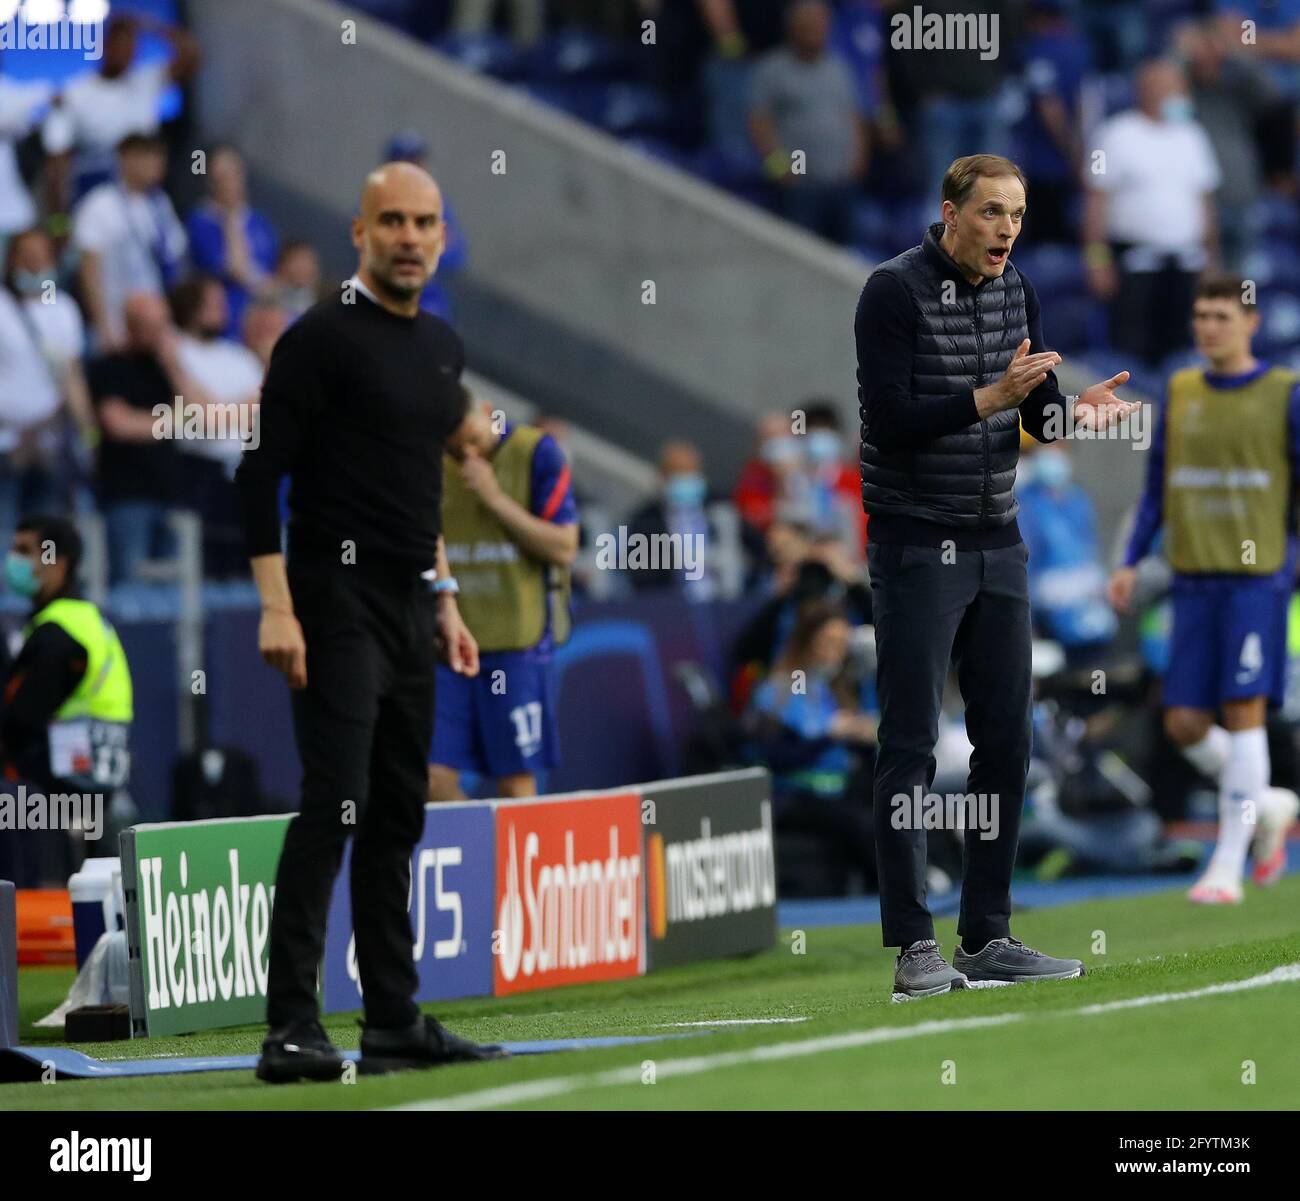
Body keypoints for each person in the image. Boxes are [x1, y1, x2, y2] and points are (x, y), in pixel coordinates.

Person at [234, 162, 503, 1083]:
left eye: (425, 221)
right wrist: (279, 606)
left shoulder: (440, 345)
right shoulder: (317, 341)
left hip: (406, 603)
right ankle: (290, 1027)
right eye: (391, 220)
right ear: (360, 232)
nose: (409, 237)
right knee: (335, 801)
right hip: (329, 597)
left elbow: (417, 485)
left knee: (398, 813)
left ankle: (392, 1017)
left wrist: (445, 596)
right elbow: (255, 479)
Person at [857, 153, 1138, 1000]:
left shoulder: (1017, 289)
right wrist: (990, 398)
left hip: (999, 539)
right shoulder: (892, 292)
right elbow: (894, 420)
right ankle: (914, 948)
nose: (1008, 229)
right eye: (991, 213)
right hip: (917, 543)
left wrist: (1072, 413)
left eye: (1017, 214)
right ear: (951, 212)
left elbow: (1037, 410)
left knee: (1008, 740)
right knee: (908, 743)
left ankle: (986, 934)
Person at [1108, 275, 1300, 903]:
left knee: (1243, 714)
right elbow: (1158, 483)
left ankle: (1226, 862)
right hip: (1191, 581)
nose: (1208, 327)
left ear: (1250, 322)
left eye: (1221, 315)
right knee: (1185, 722)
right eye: (1200, 316)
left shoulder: (1284, 394)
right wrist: (1131, 559)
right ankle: (1266, 803)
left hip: (1255, 581)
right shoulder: (1182, 389)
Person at [427, 392, 578, 801]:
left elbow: (564, 547)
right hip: (450, 647)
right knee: (431, 778)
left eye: (474, 440)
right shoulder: (428, 460)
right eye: (456, 449)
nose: (468, 454)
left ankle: (507, 859)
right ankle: (479, 852)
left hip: (515, 646)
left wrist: (494, 498)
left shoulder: (537, 453)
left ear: (490, 413)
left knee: (515, 780)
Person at [0, 515, 133, 887]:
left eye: (25, 551)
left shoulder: (58, 633)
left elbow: (21, 719)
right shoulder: (91, 620)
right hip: (96, 779)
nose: (14, 560)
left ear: (57, 563)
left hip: (58, 787)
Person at [1082, 59, 1222, 367]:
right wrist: (1097, 260)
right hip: (1134, 263)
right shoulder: (1114, 135)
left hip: (1186, 262)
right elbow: (1095, 200)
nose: (1182, 94)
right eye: (1174, 87)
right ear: (1148, 90)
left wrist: (1211, 260)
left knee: (1184, 350)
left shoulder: (1192, 135)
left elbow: (1204, 200)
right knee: (1133, 350)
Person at [41, 12, 201, 209]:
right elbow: (57, 163)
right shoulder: (76, 93)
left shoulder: (146, 81)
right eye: (119, 45)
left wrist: (150, 25)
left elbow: (191, 57)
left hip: (145, 193)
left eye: (131, 47)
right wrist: (58, 219)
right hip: (95, 196)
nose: (125, 53)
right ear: (105, 46)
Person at [86, 292, 192, 585]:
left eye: (163, 325)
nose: (160, 334)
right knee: (129, 584)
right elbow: (118, 424)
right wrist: (174, 421)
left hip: (170, 494)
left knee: (174, 592)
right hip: (127, 496)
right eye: (152, 326)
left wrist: (174, 366)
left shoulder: (165, 369)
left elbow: (198, 413)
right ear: (132, 326)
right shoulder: (109, 367)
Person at [748, 0, 867, 244]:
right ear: (792, 29)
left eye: (821, 25)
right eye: (809, 26)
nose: (816, 31)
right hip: (800, 186)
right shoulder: (773, 69)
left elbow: (853, 117)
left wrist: (857, 160)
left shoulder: (839, 68)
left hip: (841, 182)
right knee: (802, 253)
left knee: (846, 256)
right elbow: (759, 123)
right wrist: (779, 167)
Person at [72, 133, 188, 353]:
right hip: (117, 320)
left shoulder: (161, 205)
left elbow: (175, 261)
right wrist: (103, 324)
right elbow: (89, 270)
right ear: (125, 159)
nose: (157, 164)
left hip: (157, 320)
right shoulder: (100, 204)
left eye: (159, 157)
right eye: (148, 157)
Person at [185, 144, 280, 337]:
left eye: (235, 174)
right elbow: (235, 268)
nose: (230, 182)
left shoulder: (260, 222)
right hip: (225, 322)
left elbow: (275, 276)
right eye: (222, 176)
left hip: (259, 319)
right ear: (210, 181)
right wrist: (229, 217)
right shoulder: (201, 222)